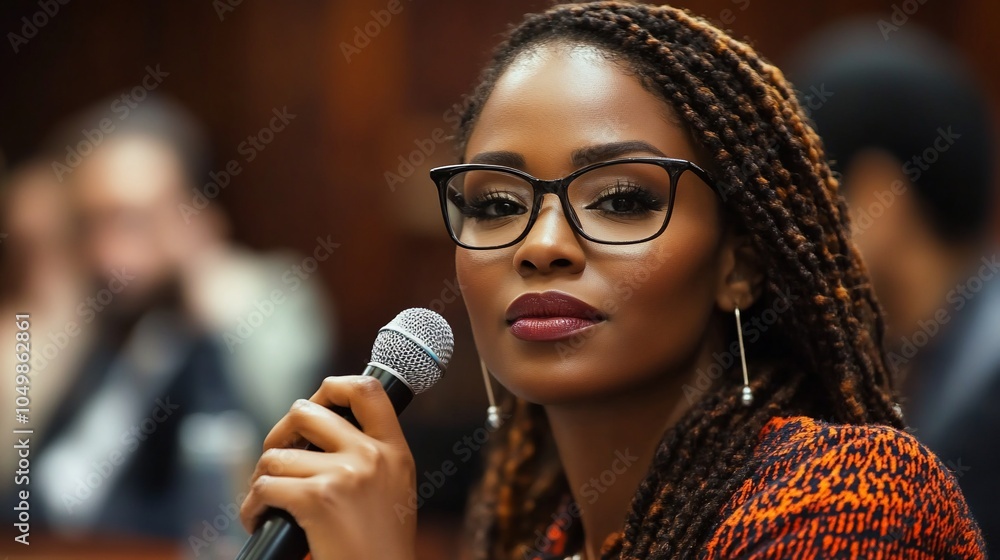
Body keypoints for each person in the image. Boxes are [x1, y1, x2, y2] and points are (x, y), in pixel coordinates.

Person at [238, 3, 987, 559]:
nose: (542, 244)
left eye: (623, 199)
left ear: (740, 264)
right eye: (498, 203)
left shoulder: (858, 496)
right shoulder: (551, 543)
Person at [788, 21, 1000, 551]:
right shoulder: (933, 356)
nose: (777, 235)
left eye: (798, 194)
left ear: (877, 194)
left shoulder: (987, 391)